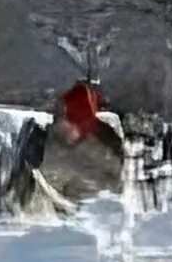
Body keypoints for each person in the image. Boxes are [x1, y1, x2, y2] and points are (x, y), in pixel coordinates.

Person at [8, 80, 128, 215]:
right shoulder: (59, 139)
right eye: (63, 121)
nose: (67, 128)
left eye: (70, 123)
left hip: (93, 213)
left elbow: (113, 184)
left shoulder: (101, 150)